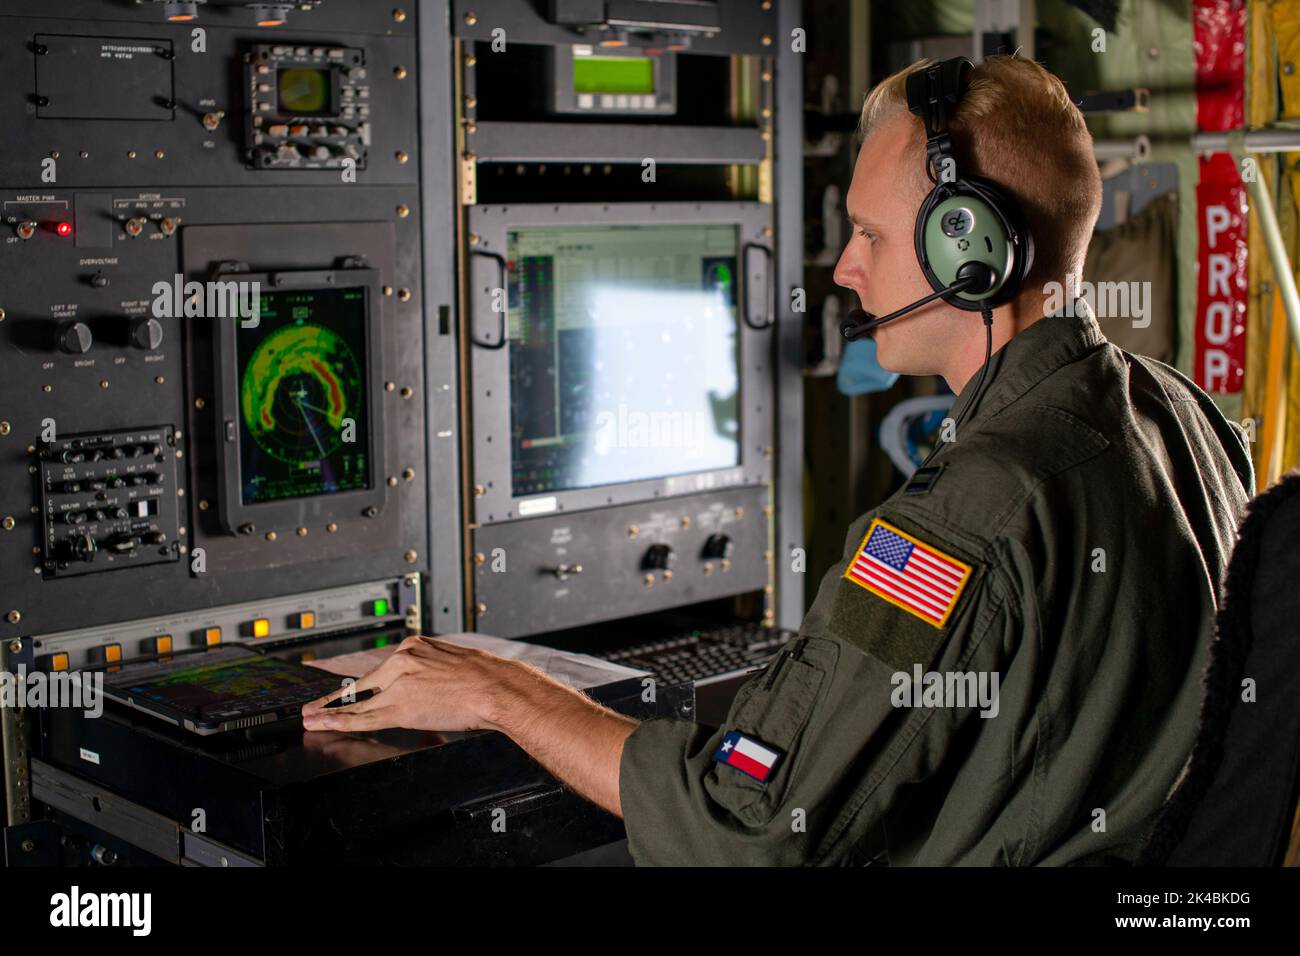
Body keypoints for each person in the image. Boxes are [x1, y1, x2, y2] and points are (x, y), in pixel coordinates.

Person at [301, 55, 1255, 866]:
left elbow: (746, 826)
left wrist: (502, 693)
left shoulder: (969, 511)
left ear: (973, 253)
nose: (844, 267)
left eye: (872, 235)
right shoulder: (1177, 410)